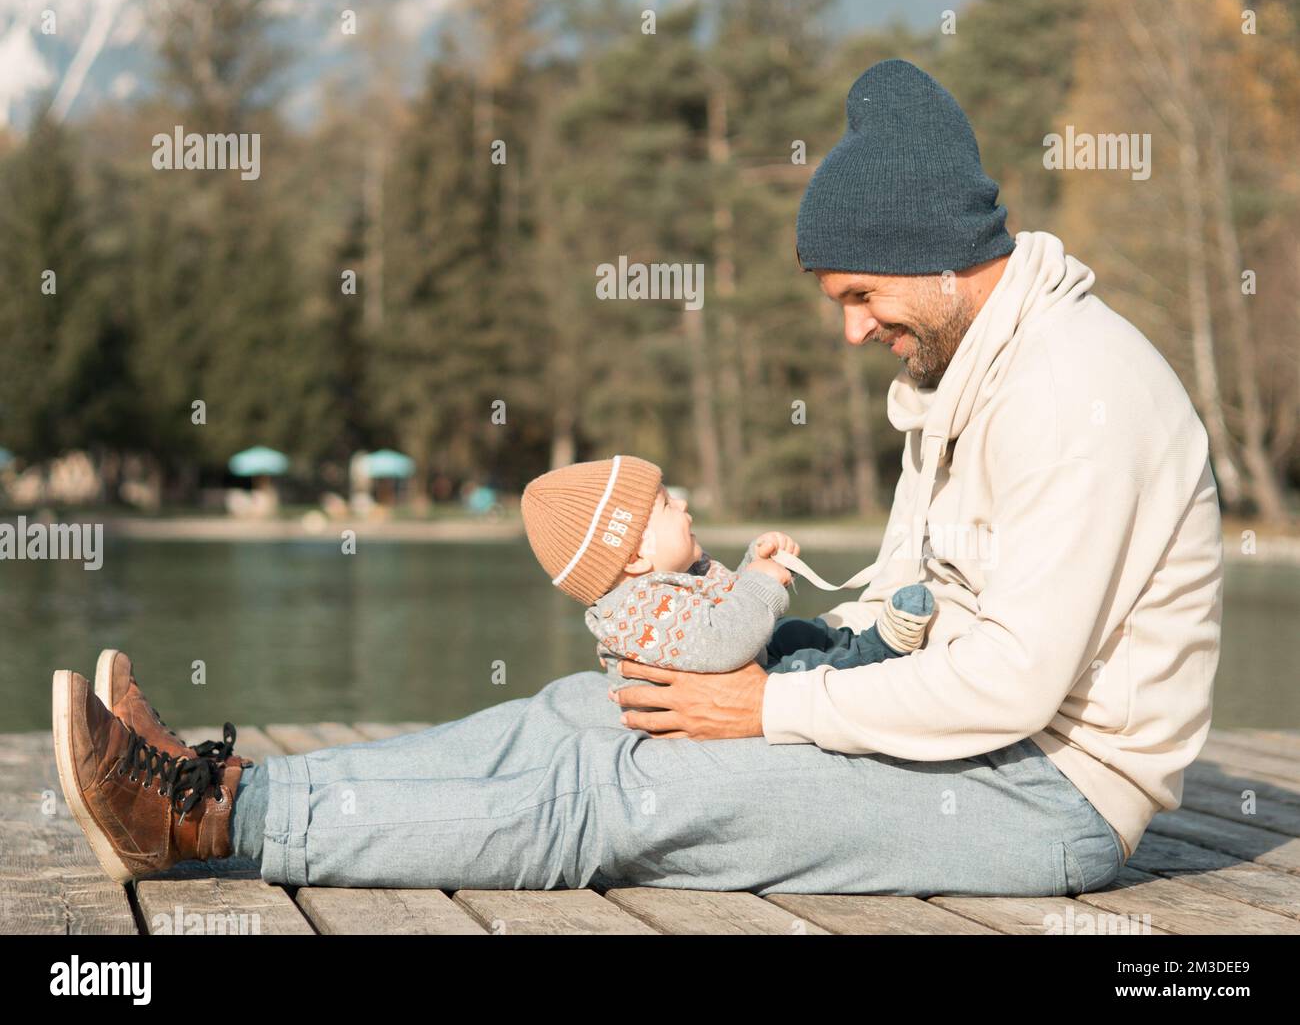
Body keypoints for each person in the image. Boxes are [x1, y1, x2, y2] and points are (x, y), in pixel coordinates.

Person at [52, 59, 1222, 897]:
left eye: (860, 298)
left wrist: (762, 705)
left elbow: (1013, 685)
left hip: (1041, 795)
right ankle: (228, 780)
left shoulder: (1076, 393)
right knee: (590, 708)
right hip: (961, 734)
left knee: (624, 791)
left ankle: (202, 826)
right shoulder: (966, 368)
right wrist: (774, 649)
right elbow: (913, 609)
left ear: (932, 255)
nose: (853, 334)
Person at [520, 459, 936, 685]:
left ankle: (851, 640)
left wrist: (754, 562)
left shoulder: (662, 582)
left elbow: (719, 608)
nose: (682, 506)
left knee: (795, 633)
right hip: (720, 690)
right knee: (800, 666)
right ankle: (878, 650)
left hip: (737, 662)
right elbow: (722, 643)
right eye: (666, 505)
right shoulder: (637, 613)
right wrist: (760, 583)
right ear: (633, 558)